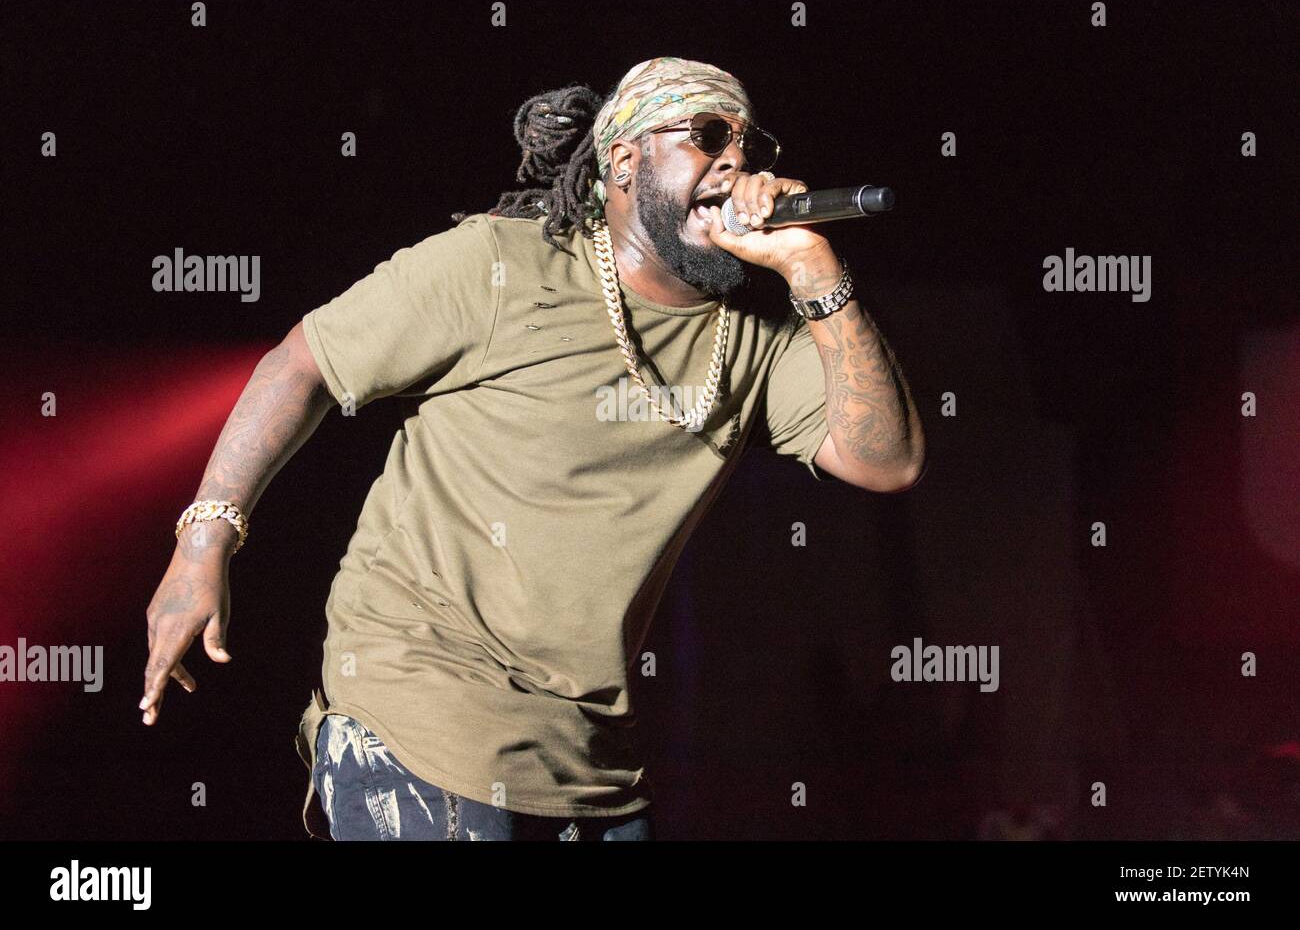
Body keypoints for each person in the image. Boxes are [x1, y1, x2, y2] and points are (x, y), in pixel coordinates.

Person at [139, 56, 926, 841]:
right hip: (421, 709)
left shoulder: (748, 337)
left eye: (750, 149)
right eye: (709, 136)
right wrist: (203, 543)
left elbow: (886, 460)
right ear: (624, 161)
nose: (735, 163)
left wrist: (813, 269)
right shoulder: (500, 266)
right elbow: (301, 366)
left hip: (590, 765)